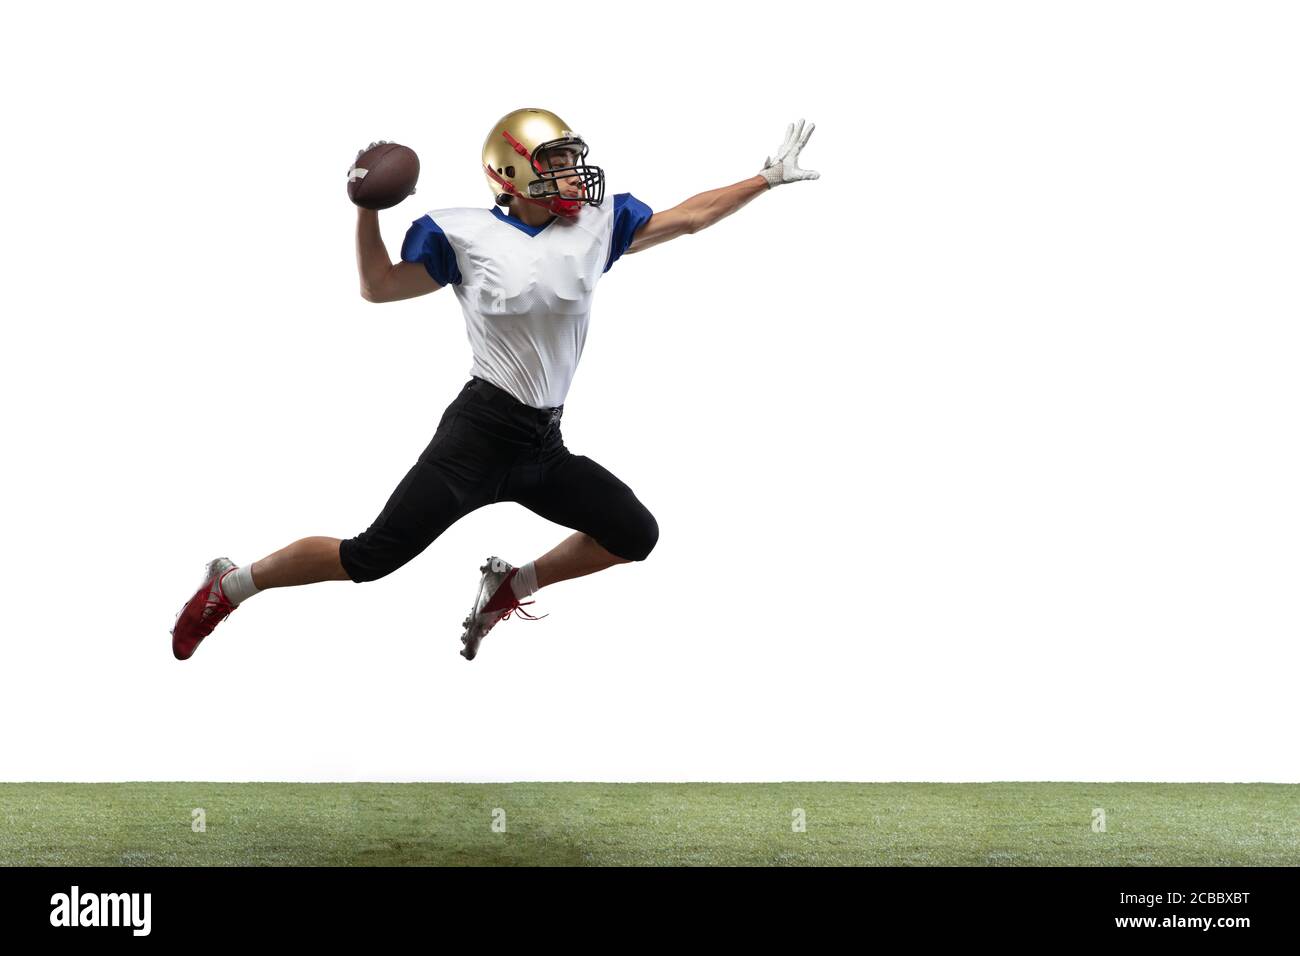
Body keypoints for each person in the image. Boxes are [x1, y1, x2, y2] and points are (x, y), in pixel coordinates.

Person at [170, 108, 819, 662]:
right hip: (475, 439)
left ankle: (510, 585)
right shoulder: (463, 233)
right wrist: (365, 211)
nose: (573, 173)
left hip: (542, 446)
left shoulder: (593, 227)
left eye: (572, 159)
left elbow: (690, 218)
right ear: (513, 171)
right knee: (368, 558)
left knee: (634, 536)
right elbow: (379, 289)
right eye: (557, 160)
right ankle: (229, 586)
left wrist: (763, 178)